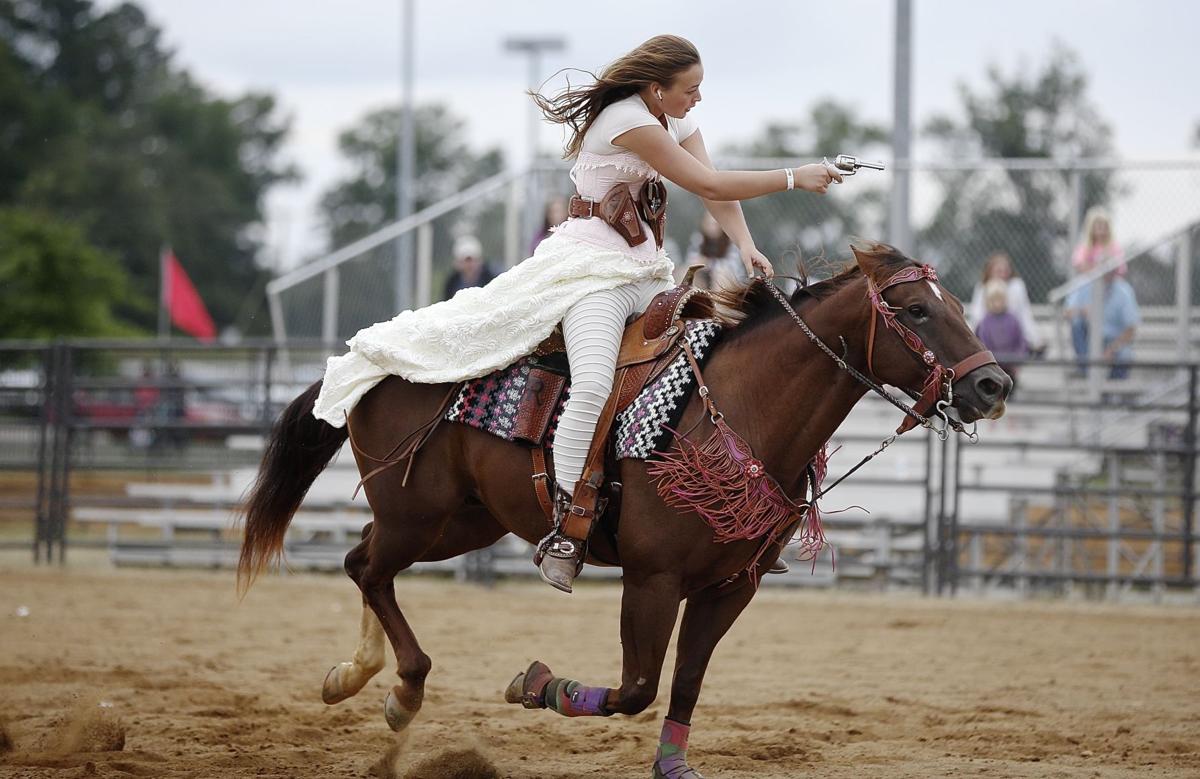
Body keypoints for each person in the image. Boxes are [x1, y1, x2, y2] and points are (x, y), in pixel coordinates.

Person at [312, 34, 844, 594]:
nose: (698, 99)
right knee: (591, 383)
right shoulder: (624, 118)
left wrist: (744, 242)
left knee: (723, 362)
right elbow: (705, 182)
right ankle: (567, 525)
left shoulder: (673, 119)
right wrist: (794, 176)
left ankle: (734, 516)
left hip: (647, 274)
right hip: (591, 275)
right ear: (655, 88)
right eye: (690, 90)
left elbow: (718, 195)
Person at [1064, 268, 1139, 379]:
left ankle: (1113, 392)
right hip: (1089, 339)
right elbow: (1066, 313)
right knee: (1077, 325)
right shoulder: (1083, 284)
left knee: (1123, 354)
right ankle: (1088, 372)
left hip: (1113, 342)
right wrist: (1081, 311)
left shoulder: (1123, 290)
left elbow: (1131, 329)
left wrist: (1111, 349)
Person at [967, 251, 1043, 356]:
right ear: (990, 271)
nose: (1003, 274)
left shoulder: (1017, 286)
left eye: (1006, 270)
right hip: (990, 335)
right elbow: (977, 316)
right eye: (999, 271)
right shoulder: (982, 287)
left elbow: (1024, 315)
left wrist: (1035, 339)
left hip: (1011, 334)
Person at [975, 279, 1028, 390]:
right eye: (994, 300)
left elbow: (1020, 341)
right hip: (994, 365)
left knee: (1011, 385)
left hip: (1011, 363)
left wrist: (1018, 358)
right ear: (988, 301)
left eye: (1001, 300)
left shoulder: (1013, 319)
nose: (998, 303)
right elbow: (984, 343)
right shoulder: (985, 322)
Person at [684, 211, 744, 289]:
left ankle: (717, 301)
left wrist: (707, 263)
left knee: (720, 276)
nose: (711, 227)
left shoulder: (731, 240)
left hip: (730, 281)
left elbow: (732, 266)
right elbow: (691, 261)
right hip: (704, 277)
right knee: (687, 273)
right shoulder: (699, 238)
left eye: (714, 224)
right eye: (708, 223)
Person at [1072, 206, 1126, 277]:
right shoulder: (1085, 246)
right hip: (1089, 281)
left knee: (1123, 287)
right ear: (1091, 227)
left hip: (1110, 283)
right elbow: (1078, 263)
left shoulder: (1113, 246)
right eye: (1099, 225)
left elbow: (1121, 268)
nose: (1102, 228)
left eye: (1104, 225)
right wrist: (1097, 267)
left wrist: (1107, 265)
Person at [442, 234, 496, 301]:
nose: (469, 265)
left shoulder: (490, 280)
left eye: (472, 260)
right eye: (466, 261)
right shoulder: (451, 283)